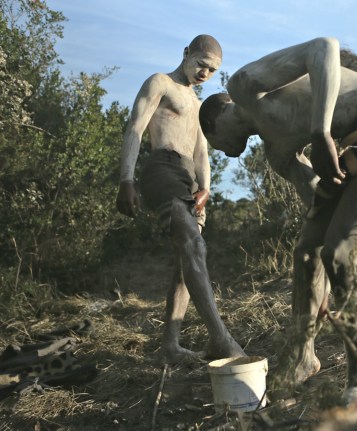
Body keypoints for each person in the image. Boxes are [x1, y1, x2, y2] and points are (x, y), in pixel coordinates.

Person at [199, 37, 357, 401]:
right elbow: (318, 210)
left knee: (341, 254)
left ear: (215, 121)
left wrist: (321, 132)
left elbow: (324, 48)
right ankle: (302, 359)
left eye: (217, 145)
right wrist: (319, 287)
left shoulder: (243, 86)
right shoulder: (278, 155)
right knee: (309, 252)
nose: (227, 154)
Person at [116, 35, 245, 364]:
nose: (205, 73)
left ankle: (170, 347)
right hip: (163, 168)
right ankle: (221, 339)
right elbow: (135, 127)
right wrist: (126, 180)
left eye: (213, 70)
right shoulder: (161, 82)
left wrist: (206, 187)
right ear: (186, 53)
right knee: (194, 247)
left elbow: (202, 152)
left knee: (186, 260)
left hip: (190, 181)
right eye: (201, 64)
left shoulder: (199, 104)